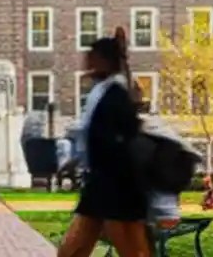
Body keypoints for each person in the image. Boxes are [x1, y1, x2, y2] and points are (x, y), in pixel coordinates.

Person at [56, 30, 149, 257]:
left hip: (117, 190)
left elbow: (123, 139)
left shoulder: (116, 95)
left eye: (93, 58)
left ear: (106, 61)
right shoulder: (103, 92)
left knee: (132, 250)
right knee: (74, 248)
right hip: (102, 186)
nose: (88, 64)